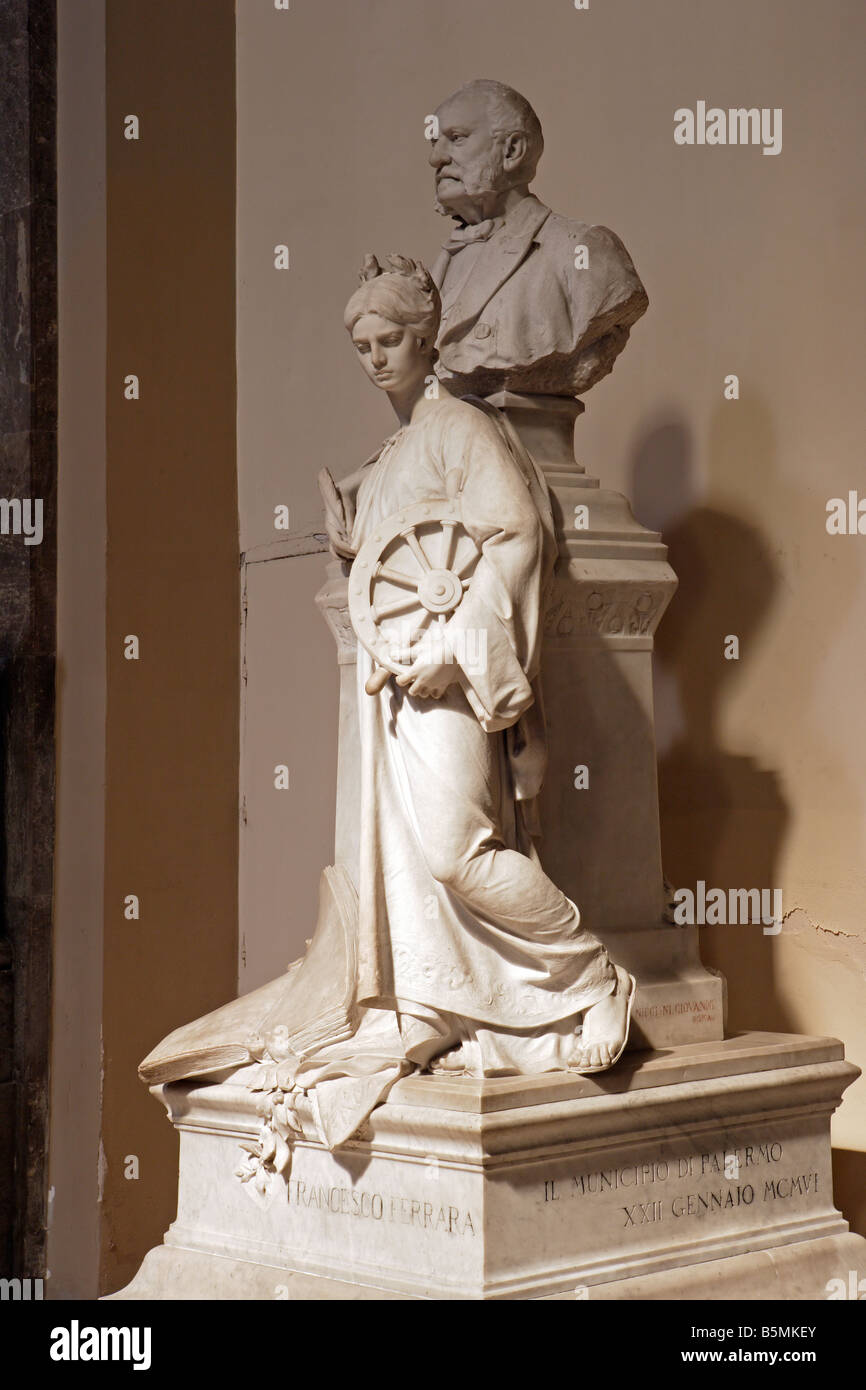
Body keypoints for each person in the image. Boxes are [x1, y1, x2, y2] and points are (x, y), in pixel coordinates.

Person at [322, 253, 635, 1080]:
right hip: (392, 688)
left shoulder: (459, 427)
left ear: (427, 341)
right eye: (363, 345)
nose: (377, 357)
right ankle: (431, 1003)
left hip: (448, 680)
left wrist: (458, 657)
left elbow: (515, 536)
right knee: (402, 857)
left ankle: (592, 975)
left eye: (391, 338)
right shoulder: (397, 451)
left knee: (461, 850)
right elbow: (400, 564)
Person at [426, 79, 648, 398]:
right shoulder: (444, 262)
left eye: (456, 139)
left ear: (512, 150)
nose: (435, 158)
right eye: (434, 142)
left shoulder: (581, 250)